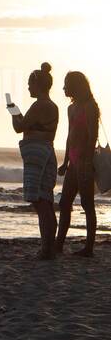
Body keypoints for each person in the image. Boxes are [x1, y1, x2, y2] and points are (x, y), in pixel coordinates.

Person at [9, 62, 59, 260]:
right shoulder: (52, 106)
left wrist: (13, 112)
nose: (28, 87)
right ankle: (48, 247)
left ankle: (46, 249)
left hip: (37, 154)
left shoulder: (39, 105)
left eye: (30, 84)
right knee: (45, 200)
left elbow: (19, 127)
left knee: (40, 203)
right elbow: (31, 125)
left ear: (38, 85)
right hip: (47, 151)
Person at [56, 71, 100, 258]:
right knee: (65, 202)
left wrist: (87, 161)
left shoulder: (90, 106)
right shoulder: (71, 108)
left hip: (84, 162)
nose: (64, 88)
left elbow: (92, 136)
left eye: (66, 84)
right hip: (73, 162)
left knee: (87, 204)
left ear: (76, 86)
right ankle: (58, 244)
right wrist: (65, 161)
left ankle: (89, 248)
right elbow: (69, 135)